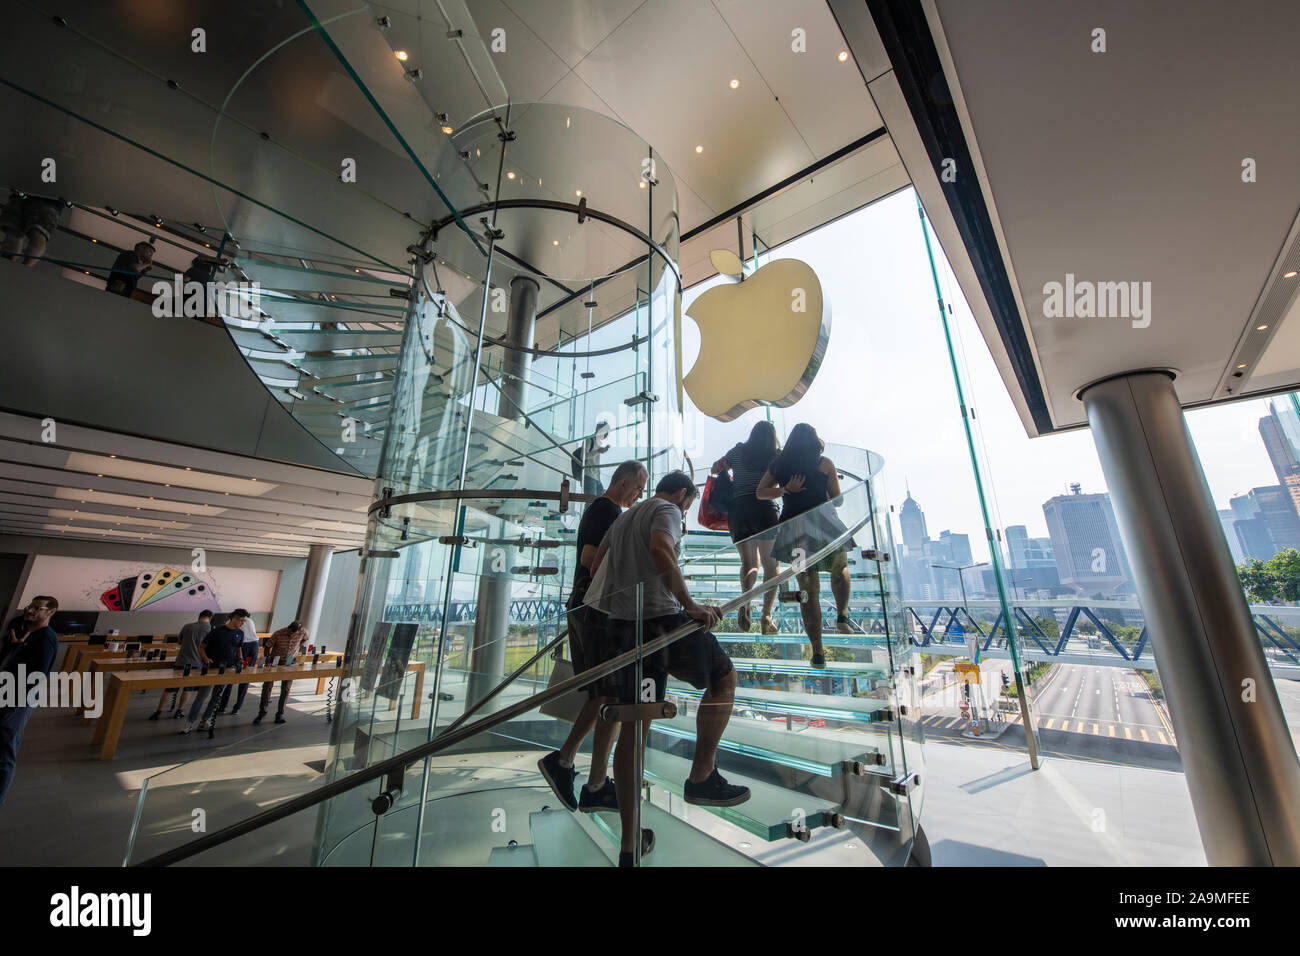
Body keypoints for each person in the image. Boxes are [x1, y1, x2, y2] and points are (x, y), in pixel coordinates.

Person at [589, 470, 751, 866]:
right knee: (724, 677)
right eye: (689, 504)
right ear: (682, 494)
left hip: (623, 629)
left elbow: (595, 569)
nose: (686, 512)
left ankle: (629, 846)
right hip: (662, 621)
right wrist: (690, 605)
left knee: (636, 721)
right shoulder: (666, 509)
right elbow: (662, 550)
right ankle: (701, 777)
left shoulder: (624, 517)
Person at [537, 459, 646, 814]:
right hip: (594, 611)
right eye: (638, 487)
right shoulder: (606, 509)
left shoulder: (606, 510)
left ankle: (582, 772)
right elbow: (589, 557)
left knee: (604, 694)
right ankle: (573, 765)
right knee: (609, 692)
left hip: (588, 609)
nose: (640, 494)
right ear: (623, 482)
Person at [758, 423, 853, 670]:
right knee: (839, 566)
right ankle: (842, 615)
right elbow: (839, 500)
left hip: (794, 532)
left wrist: (785, 490)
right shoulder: (825, 464)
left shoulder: (779, 466)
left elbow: (760, 493)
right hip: (825, 525)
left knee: (807, 589)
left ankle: (818, 652)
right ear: (815, 441)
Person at [711, 420, 781, 635]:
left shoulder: (738, 450)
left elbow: (716, 468)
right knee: (771, 566)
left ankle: (745, 601)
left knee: (750, 563)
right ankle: (766, 616)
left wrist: (730, 470)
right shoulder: (777, 455)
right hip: (765, 510)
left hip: (739, 511)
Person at [0, 596, 59, 805]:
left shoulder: (46, 638)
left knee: (5, 753)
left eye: (37, 608)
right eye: (30, 606)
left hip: (15, 702)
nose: (31, 610)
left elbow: (36, 677)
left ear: (50, 612)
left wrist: (12, 705)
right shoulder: (25, 633)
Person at [181, 608, 250, 736]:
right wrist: (206, 659)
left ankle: (205, 721)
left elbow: (238, 647)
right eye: (240, 620)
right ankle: (190, 722)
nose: (242, 623)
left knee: (216, 697)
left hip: (227, 669)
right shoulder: (217, 631)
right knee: (202, 696)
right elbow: (201, 647)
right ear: (233, 618)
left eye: (243, 621)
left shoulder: (240, 633)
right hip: (212, 668)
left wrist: (240, 659)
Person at [148, 609, 211, 720]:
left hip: (181, 660)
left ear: (199, 616)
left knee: (169, 688)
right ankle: (179, 711)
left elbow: (179, 642)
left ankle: (158, 711)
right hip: (196, 663)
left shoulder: (187, 626)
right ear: (210, 618)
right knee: (188, 689)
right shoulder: (209, 629)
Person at [254, 621, 309, 725]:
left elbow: (305, 638)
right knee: (267, 686)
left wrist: (297, 648)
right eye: (289, 633)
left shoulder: (303, 632)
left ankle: (280, 714)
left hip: (290, 662)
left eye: (294, 634)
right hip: (276, 661)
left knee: (286, 689)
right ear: (288, 628)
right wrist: (268, 661)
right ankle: (262, 713)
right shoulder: (279, 633)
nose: (291, 635)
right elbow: (267, 646)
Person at [0, 193, 63, 266]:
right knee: (37, 233)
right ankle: (21, 269)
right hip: (49, 198)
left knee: (14, 233)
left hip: (22, 191)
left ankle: (9, 268)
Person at [228, 616, 263, 716]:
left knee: (230, 674)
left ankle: (223, 705)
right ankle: (237, 707)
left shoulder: (234, 621)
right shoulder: (250, 620)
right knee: (246, 676)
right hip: (254, 645)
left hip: (243, 646)